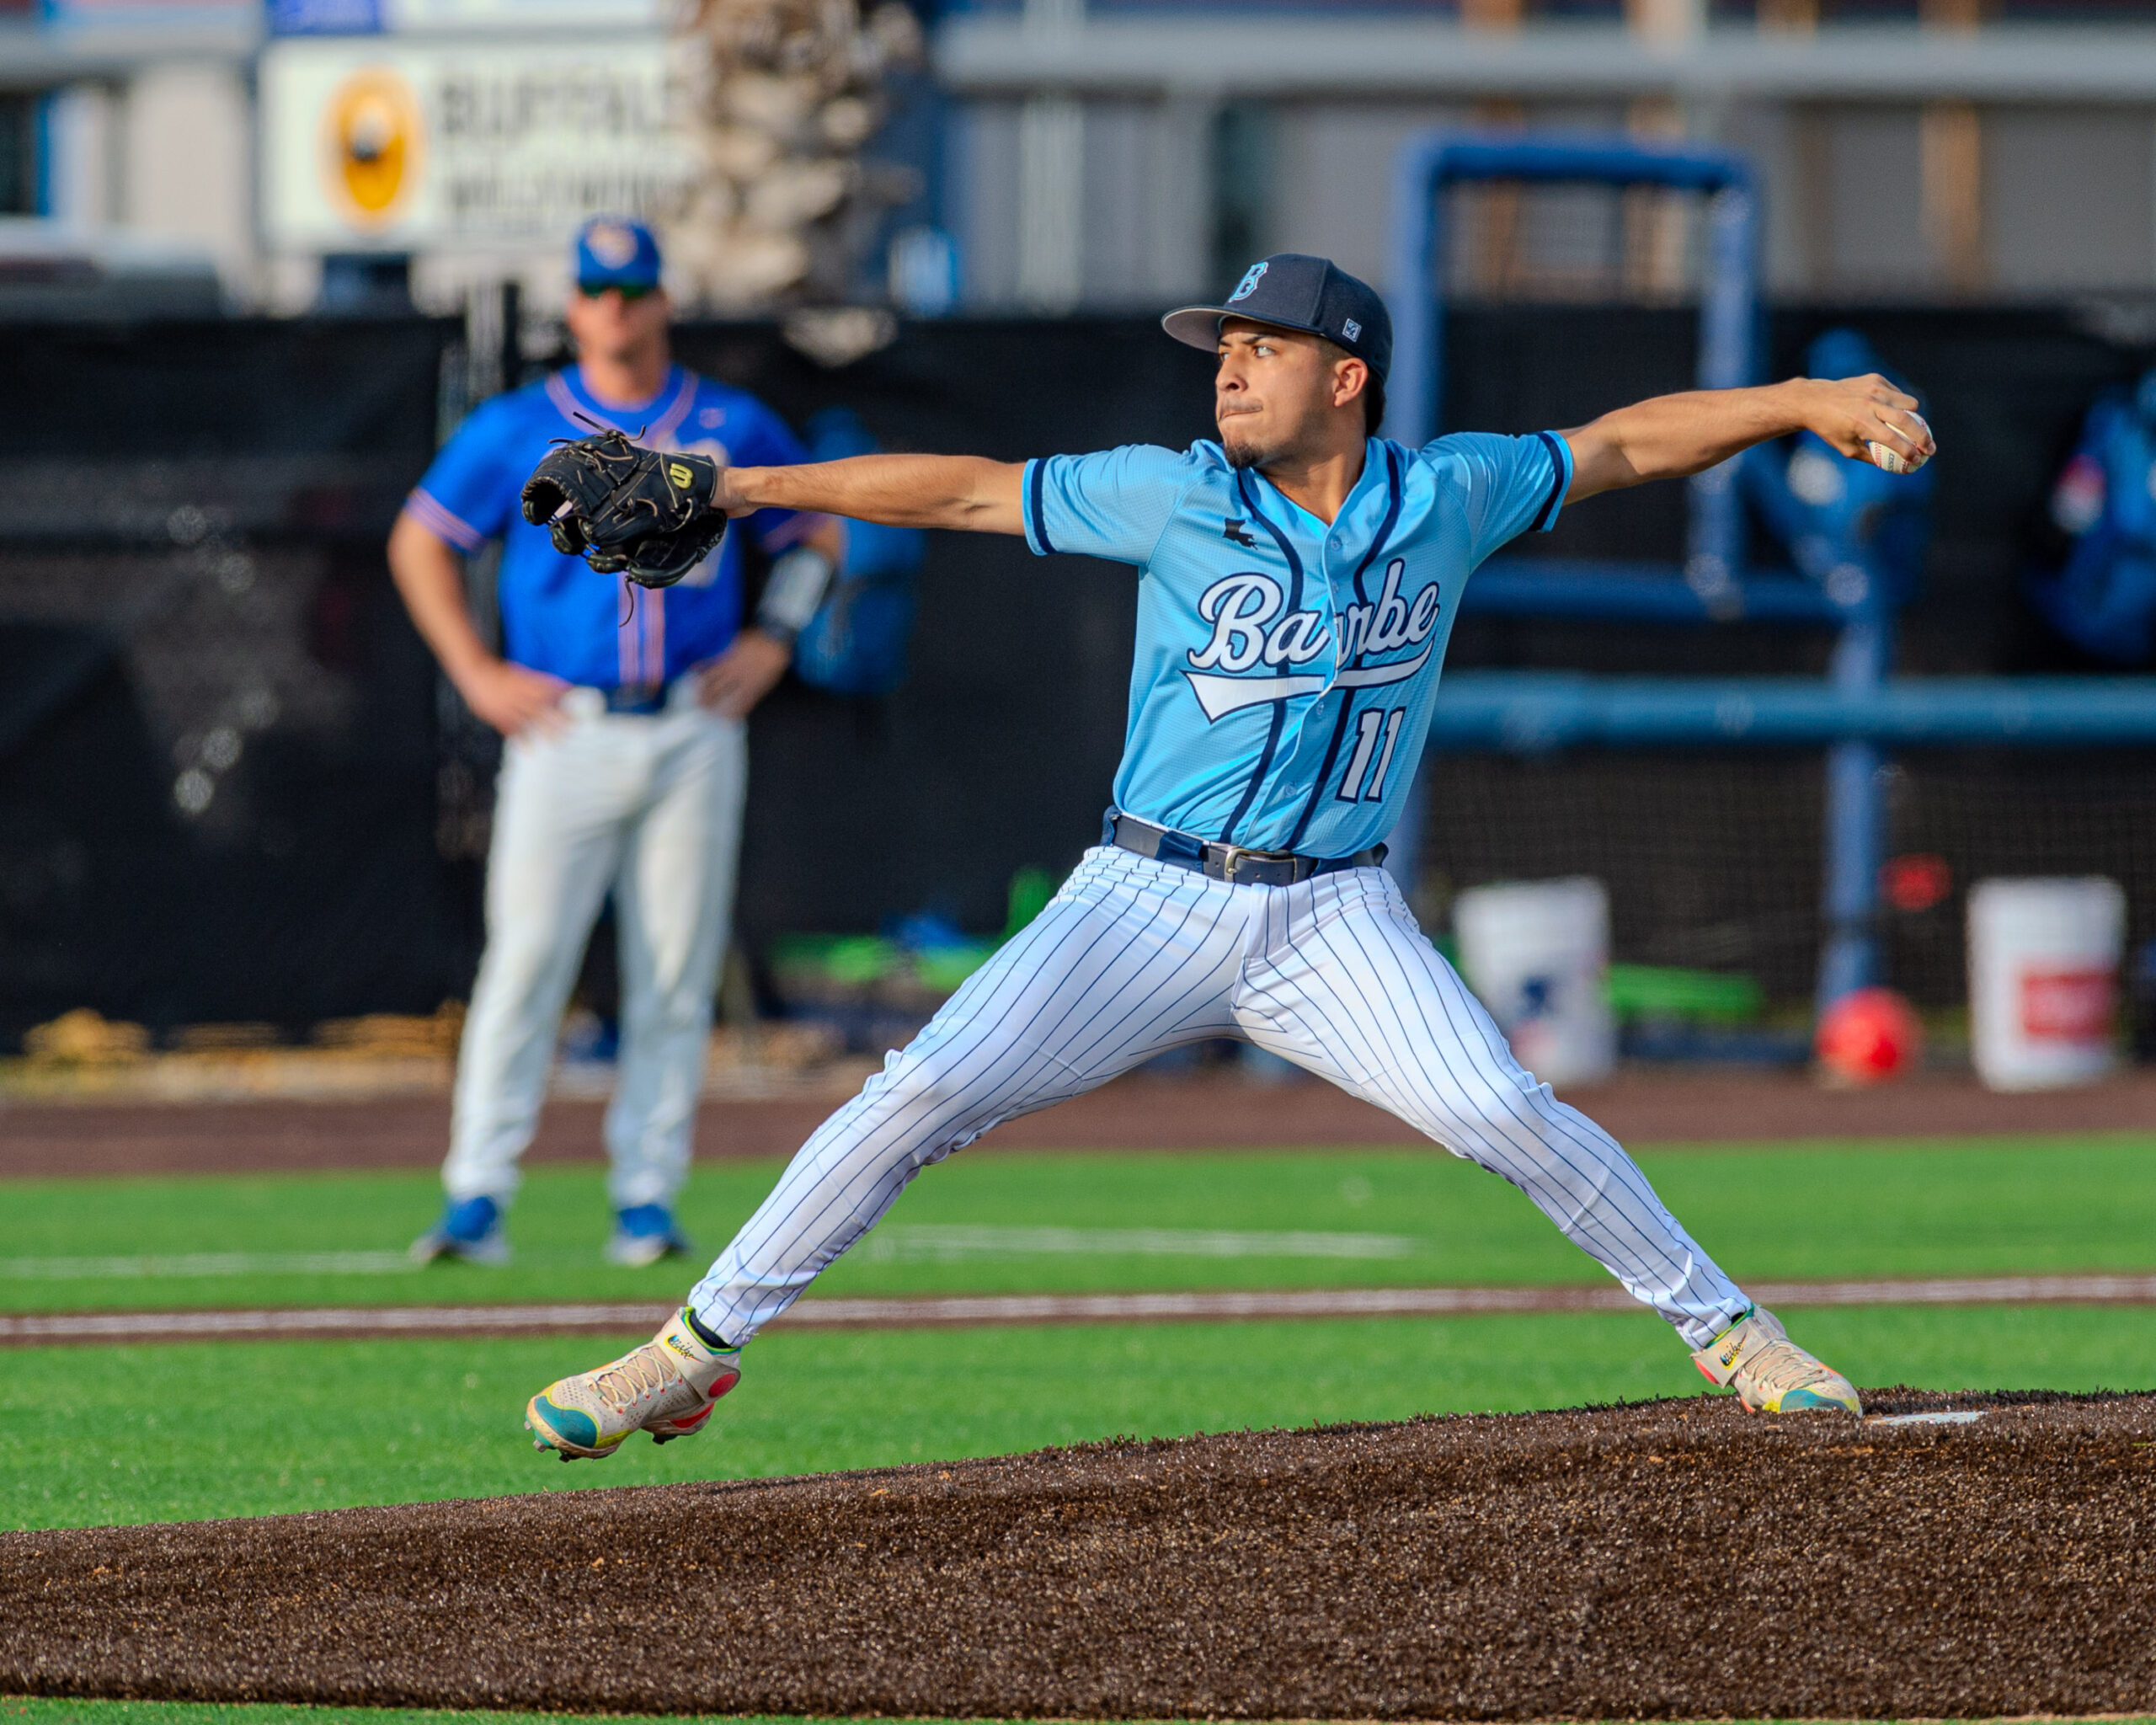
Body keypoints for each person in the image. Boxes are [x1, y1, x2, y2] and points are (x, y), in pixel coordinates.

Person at [521, 252, 1935, 1456]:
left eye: (1266, 349)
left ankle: (1734, 1332)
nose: (1232, 371)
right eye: (1225, 349)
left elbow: (1629, 442)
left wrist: (1803, 400)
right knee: (921, 1089)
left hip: (1336, 913)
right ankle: (690, 1346)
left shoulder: (1449, 494)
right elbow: (965, 491)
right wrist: (740, 482)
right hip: (1145, 897)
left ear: (1348, 377)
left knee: (1504, 1111)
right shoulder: (1172, 495)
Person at [390, 216, 844, 1268]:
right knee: (528, 959)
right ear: (574, 303)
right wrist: (474, 671)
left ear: (662, 300)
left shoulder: (724, 419)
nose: (616, 309)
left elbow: (818, 528)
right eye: (598, 290)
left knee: (675, 967)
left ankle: (646, 1193)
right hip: (567, 724)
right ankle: (477, 1193)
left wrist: (774, 642)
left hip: (690, 716)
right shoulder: (519, 425)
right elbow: (420, 538)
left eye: (633, 289)